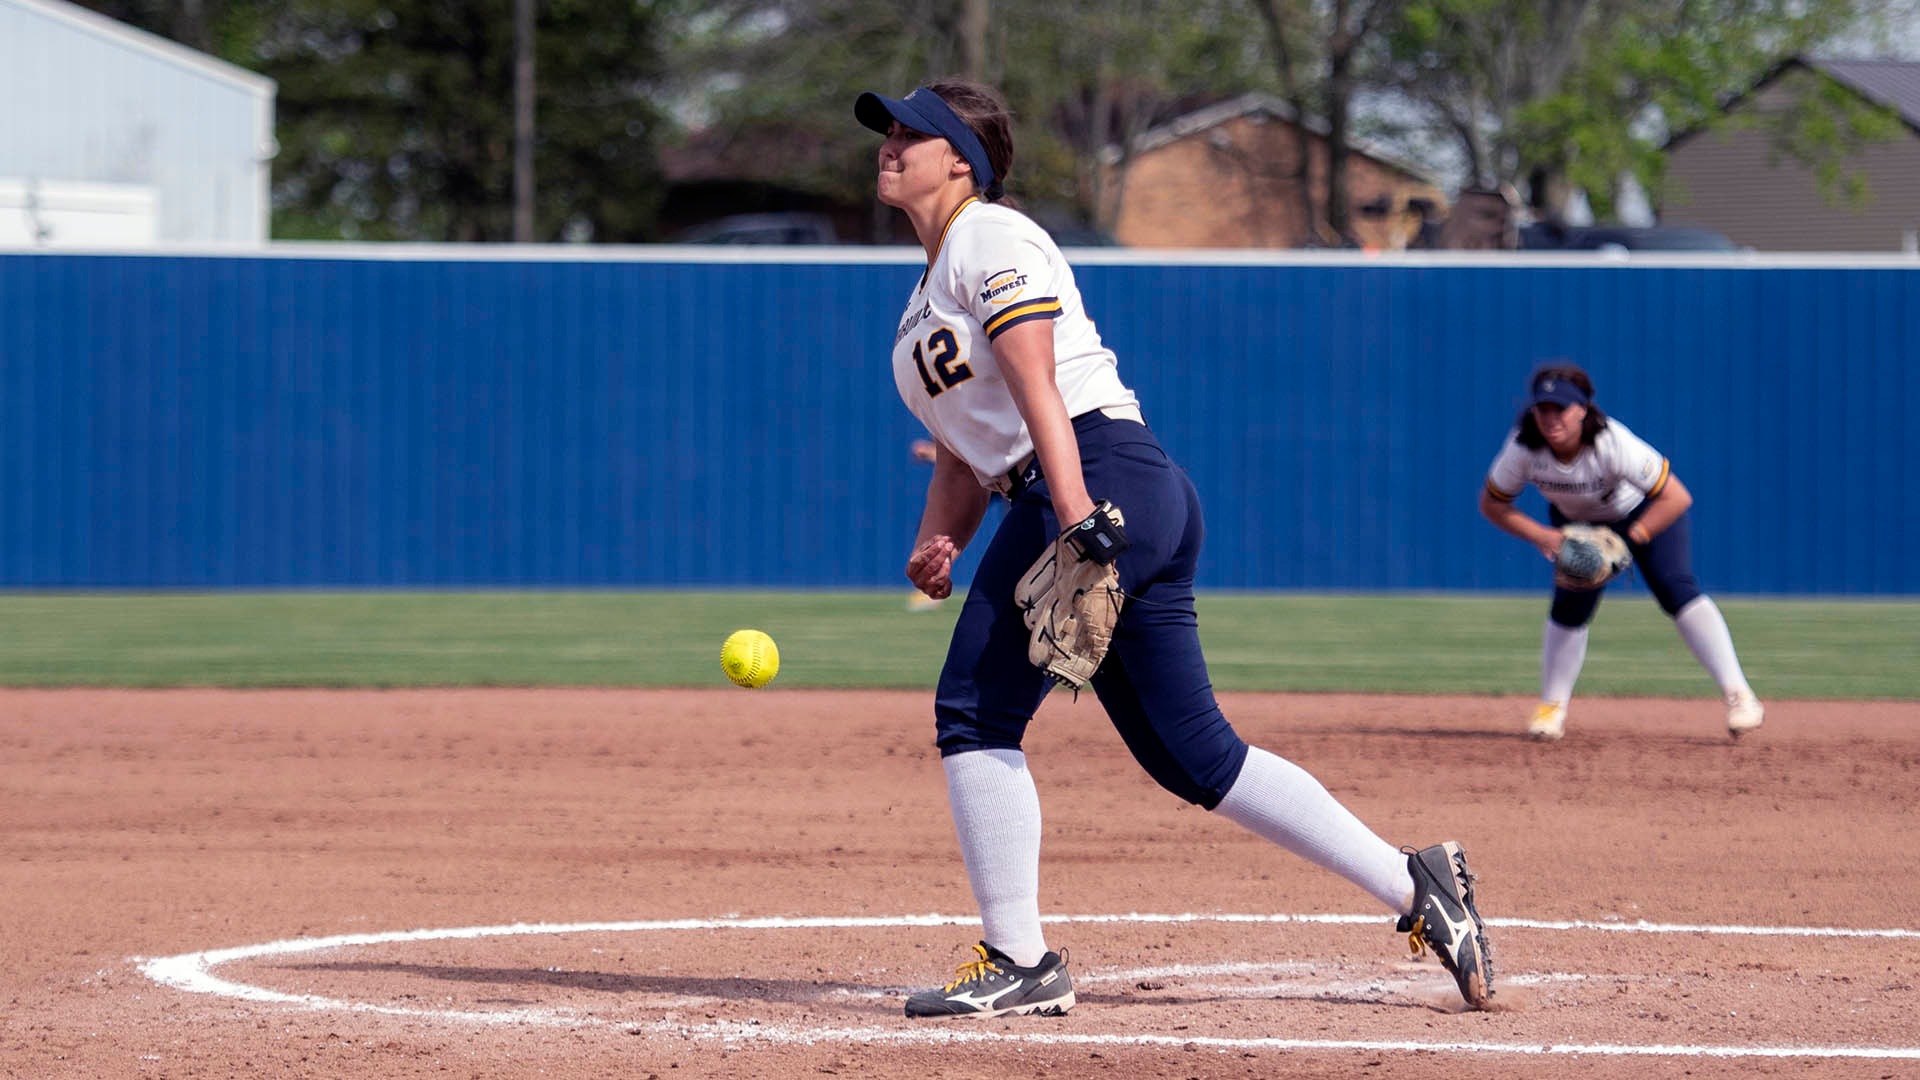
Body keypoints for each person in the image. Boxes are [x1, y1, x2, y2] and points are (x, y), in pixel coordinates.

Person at [855, 78, 1496, 1020]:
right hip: (1115, 484)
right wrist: (937, 539)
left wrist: (1072, 507)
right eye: (890, 131)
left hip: (1094, 475)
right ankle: (1417, 884)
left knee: (973, 711)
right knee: (1196, 756)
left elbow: (1037, 374)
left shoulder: (991, 235)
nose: (891, 143)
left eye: (914, 132)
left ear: (963, 159)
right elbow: (965, 443)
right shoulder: (930, 287)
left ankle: (1020, 958)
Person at [1479, 363, 1764, 741]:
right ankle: (1551, 707)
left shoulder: (1611, 442)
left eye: (1560, 409)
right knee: (1569, 606)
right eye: (1543, 409)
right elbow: (1492, 504)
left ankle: (1739, 694)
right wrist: (1543, 537)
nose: (1550, 418)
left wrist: (1631, 540)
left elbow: (1677, 497)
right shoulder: (1524, 447)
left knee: (1675, 587)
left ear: (1582, 410)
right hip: (1577, 526)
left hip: (1643, 513)